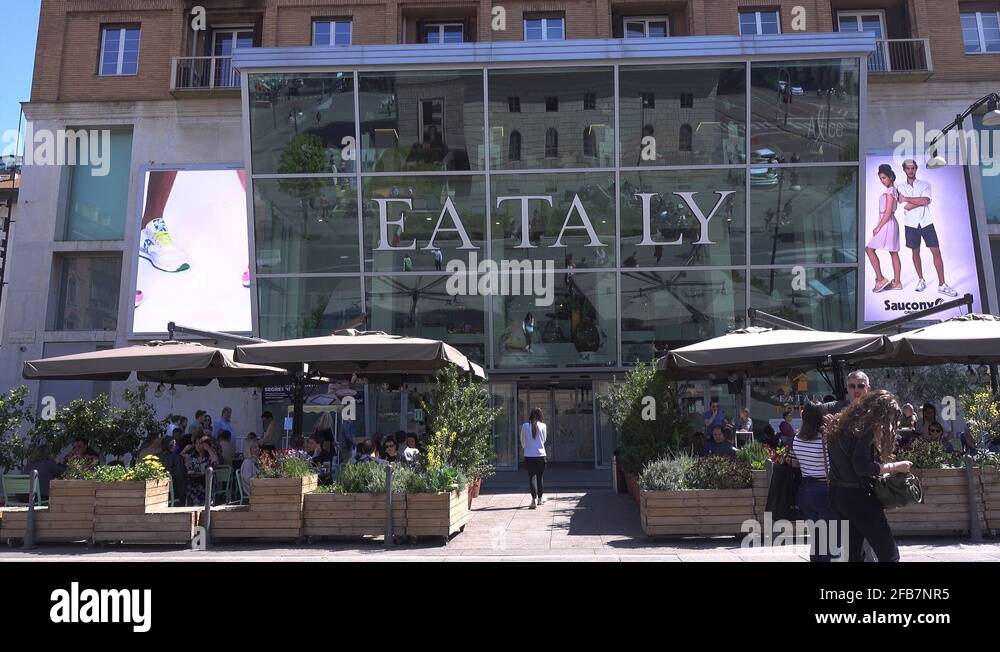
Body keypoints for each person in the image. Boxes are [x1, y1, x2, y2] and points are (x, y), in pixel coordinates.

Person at [825, 389, 913, 562]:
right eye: (890, 417)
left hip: (838, 494)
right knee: (889, 553)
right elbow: (862, 467)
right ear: (880, 412)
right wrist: (897, 466)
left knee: (853, 553)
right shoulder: (864, 429)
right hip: (858, 496)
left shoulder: (840, 423)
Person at [898, 159, 958, 297]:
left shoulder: (925, 184)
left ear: (916, 169)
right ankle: (921, 279)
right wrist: (919, 201)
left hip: (926, 223)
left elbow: (925, 200)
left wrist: (907, 199)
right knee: (915, 252)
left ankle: (942, 284)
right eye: (908, 168)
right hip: (910, 224)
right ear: (904, 170)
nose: (911, 170)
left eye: (913, 168)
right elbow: (905, 206)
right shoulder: (899, 187)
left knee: (936, 252)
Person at [788, 401, 836, 562]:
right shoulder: (826, 438)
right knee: (828, 538)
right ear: (821, 417)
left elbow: (795, 463)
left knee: (816, 537)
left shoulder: (797, 438)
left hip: (805, 491)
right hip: (824, 489)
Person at [865, 164, 902, 293]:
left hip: (887, 223)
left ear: (890, 177)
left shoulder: (890, 191)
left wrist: (878, 227)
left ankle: (880, 279)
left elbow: (887, 212)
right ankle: (897, 282)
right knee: (893, 252)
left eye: (884, 178)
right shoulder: (892, 190)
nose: (882, 180)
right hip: (889, 222)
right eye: (881, 178)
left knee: (869, 249)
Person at [519, 407, 548, 509]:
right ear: (540, 416)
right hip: (540, 455)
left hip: (529, 455)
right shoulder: (543, 426)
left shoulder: (525, 426)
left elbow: (522, 440)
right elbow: (544, 440)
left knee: (532, 477)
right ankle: (540, 499)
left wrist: (526, 448)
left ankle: (533, 500)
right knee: (540, 478)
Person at [182, 434, 220, 506]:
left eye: (200, 443)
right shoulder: (192, 456)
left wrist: (208, 449)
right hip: (194, 482)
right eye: (196, 444)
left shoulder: (209, 456)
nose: (198, 446)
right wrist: (186, 449)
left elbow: (216, 462)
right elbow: (182, 456)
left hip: (206, 483)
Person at [158, 437, 187, 505]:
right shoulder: (176, 458)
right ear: (173, 446)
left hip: (161, 489)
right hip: (174, 490)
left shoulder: (159, 457)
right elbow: (180, 477)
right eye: (175, 444)